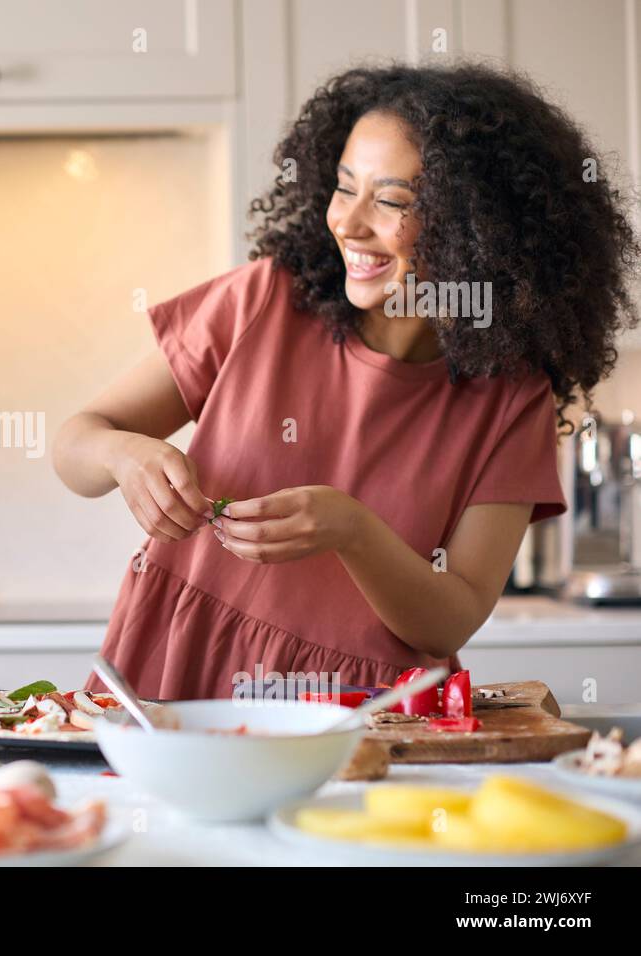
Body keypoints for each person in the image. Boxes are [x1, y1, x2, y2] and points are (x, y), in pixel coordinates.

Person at [53, 64, 638, 700]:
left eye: (390, 202)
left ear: (481, 230)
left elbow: (451, 618)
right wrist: (124, 455)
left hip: (359, 716)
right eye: (343, 187)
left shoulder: (509, 399)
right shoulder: (261, 302)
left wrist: (353, 531)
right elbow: (76, 445)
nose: (349, 224)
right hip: (171, 674)